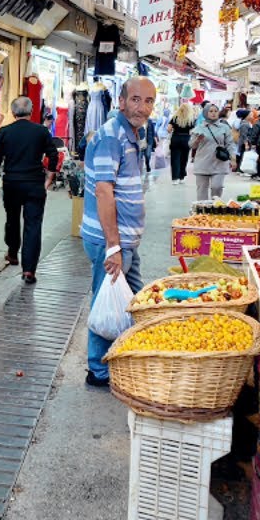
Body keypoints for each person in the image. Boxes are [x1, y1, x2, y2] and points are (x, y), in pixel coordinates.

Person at [81, 76, 156, 387]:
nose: (142, 107)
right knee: (106, 300)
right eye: (136, 99)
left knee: (136, 300)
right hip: (110, 241)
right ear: (122, 101)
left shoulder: (132, 134)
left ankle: (129, 356)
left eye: (149, 101)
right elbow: (103, 191)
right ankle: (98, 371)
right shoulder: (112, 136)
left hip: (126, 240)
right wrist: (113, 246)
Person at [0, 96, 59, 284]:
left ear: (12, 112)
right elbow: (53, 154)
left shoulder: (4, 132)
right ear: (31, 111)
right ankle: (29, 270)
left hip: (12, 183)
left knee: (12, 220)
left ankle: (13, 252)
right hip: (34, 184)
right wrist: (50, 176)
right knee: (33, 225)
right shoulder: (41, 131)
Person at [191, 103, 232, 201]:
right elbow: (191, 145)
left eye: (216, 111)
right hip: (202, 163)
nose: (213, 113)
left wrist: (233, 158)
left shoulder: (224, 127)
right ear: (205, 113)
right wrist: (197, 140)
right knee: (202, 190)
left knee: (217, 186)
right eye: (211, 111)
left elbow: (230, 144)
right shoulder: (199, 128)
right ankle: (202, 213)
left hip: (219, 162)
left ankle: (214, 208)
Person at [168, 102, 195, 185]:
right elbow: (192, 131)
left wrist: (173, 130)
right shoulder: (191, 119)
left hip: (176, 138)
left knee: (175, 159)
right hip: (186, 139)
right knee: (184, 158)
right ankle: (181, 177)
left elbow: (169, 129)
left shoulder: (175, 117)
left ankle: (175, 178)